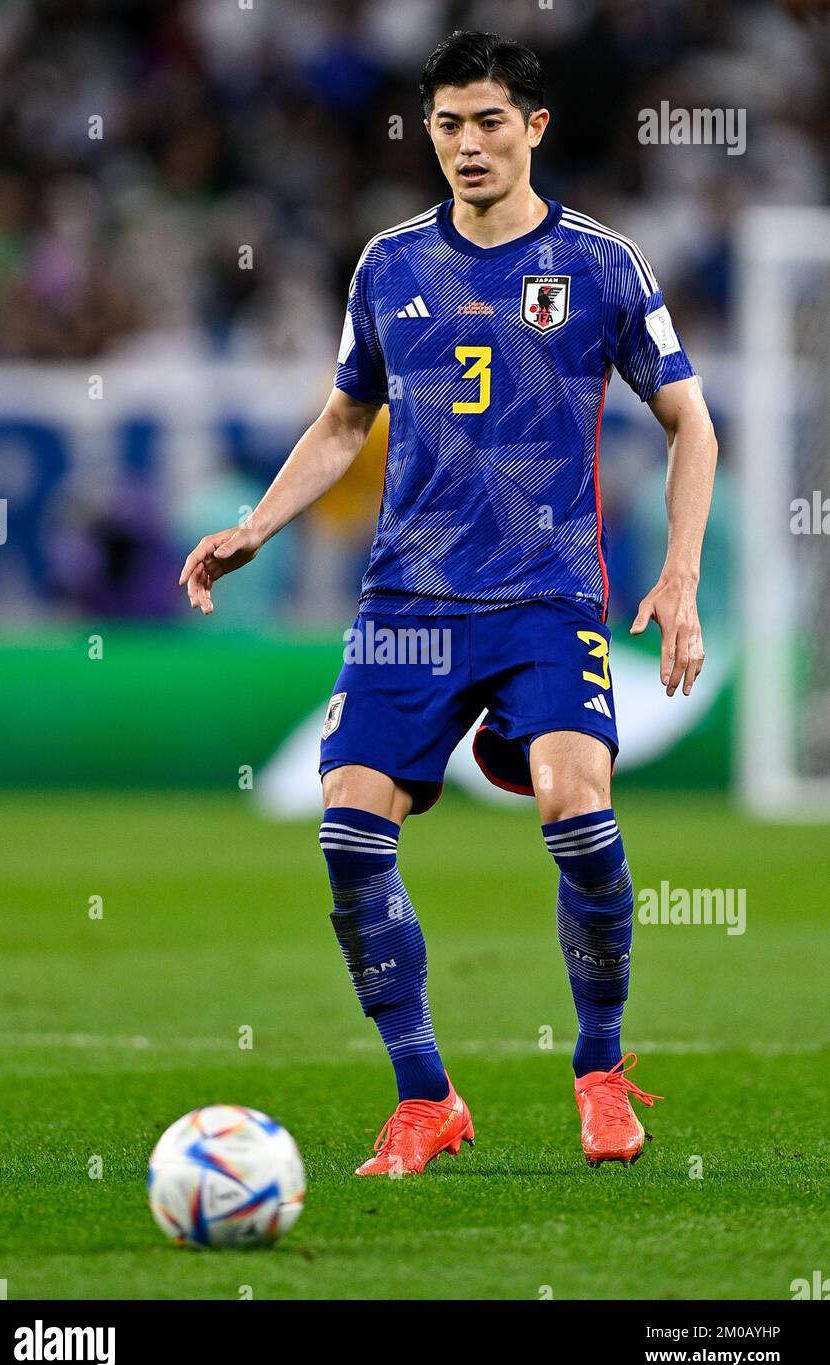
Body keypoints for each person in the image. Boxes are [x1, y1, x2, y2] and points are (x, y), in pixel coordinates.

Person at [180, 30, 717, 1176]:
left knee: (576, 812)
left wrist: (678, 574)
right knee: (345, 829)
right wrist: (254, 528)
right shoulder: (386, 266)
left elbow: (690, 422)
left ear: (533, 127)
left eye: (485, 122)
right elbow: (340, 421)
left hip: (545, 594)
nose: (464, 146)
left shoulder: (602, 264)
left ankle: (601, 1069)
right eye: (444, 125)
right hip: (405, 600)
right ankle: (426, 1097)